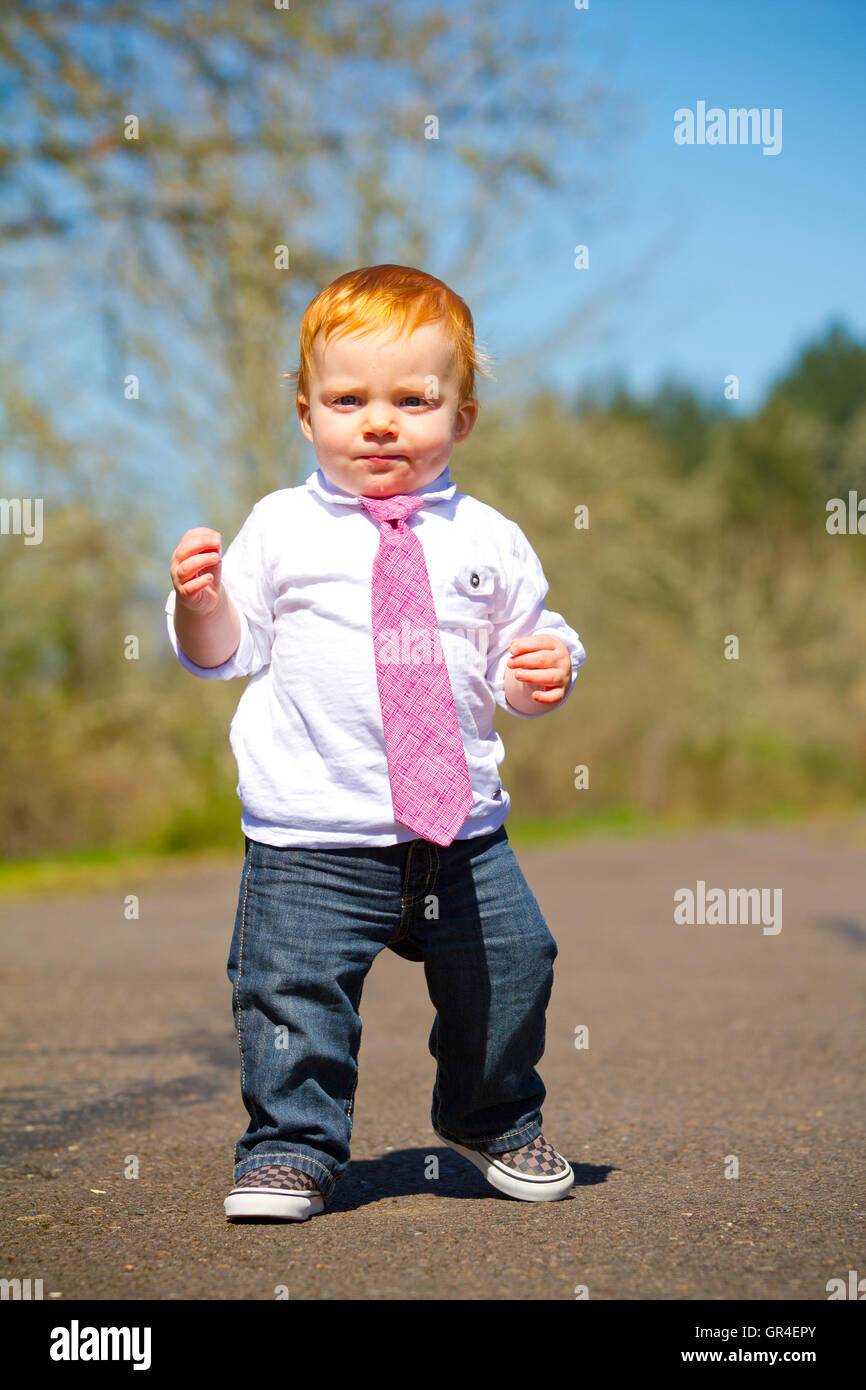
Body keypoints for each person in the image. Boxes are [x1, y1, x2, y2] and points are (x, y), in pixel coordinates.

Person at [165, 264, 587, 1222]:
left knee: (514, 965)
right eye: (349, 399)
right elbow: (224, 655)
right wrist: (203, 606)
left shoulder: (490, 537)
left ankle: (492, 1115)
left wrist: (542, 673)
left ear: (463, 418)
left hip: (463, 833)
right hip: (313, 834)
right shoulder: (280, 529)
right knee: (292, 996)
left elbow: (533, 642)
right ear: (306, 414)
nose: (380, 421)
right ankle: (291, 1147)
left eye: (413, 399)